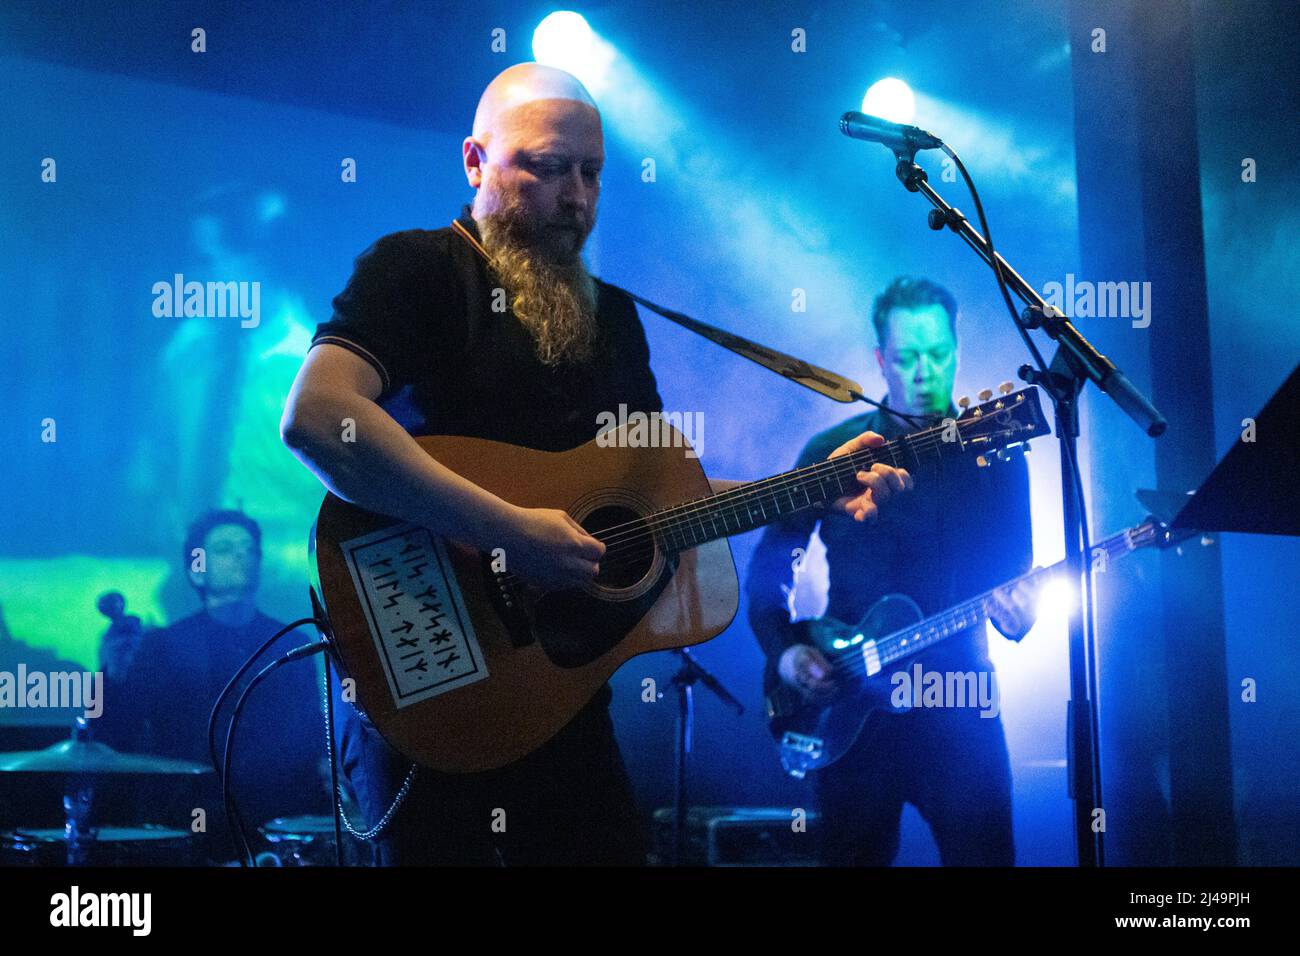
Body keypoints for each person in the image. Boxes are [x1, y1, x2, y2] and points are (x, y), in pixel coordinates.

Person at [280, 63, 913, 865]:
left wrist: (811, 490)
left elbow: (659, 507)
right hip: (429, 678)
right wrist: (512, 533)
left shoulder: (611, 317)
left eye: (590, 173)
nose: (574, 196)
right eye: (544, 169)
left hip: (557, 697)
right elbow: (317, 418)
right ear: (475, 162)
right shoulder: (416, 270)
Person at [746, 276, 1039, 866]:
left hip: (961, 705)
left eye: (938, 352)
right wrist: (785, 652)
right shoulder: (837, 452)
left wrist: (1022, 614)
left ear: (957, 348)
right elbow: (768, 570)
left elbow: (1016, 577)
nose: (925, 370)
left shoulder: (997, 446)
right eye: (907, 356)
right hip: (849, 702)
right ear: (881, 359)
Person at [98, 508, 328, 862]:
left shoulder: (290, 641)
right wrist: (112, 676)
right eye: (224, 548)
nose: (241, 555)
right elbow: (118, 736)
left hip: (279, 814)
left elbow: (313, 736)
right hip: (188, 813)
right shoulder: (164, 645)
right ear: (196, 569)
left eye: (249, 549)